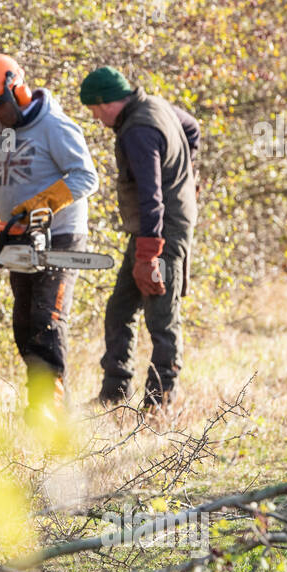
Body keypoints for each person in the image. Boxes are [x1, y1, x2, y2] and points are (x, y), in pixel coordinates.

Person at [0, 54, 99, 425]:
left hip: (59, 235)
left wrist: (41, 204)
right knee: (24, 322)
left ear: (17, 92)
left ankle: (47, 407)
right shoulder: (1, 133)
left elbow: (86, 176)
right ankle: (48, 403)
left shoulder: (55, 126)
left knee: (47, 317)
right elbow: (0, 183)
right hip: (18, 238)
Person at [79, 66, 200, 410]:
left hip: (160, 230)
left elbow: (152, 197)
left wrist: (149, 255)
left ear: (105, 103)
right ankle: (114, 393)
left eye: (94, 111)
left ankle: (159, 400)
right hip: (151, 229)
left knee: (161, 316)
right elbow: (192, 126)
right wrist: (188, 176)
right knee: (120, 309)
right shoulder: (156, 105)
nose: (97, 119)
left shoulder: (138, 131)